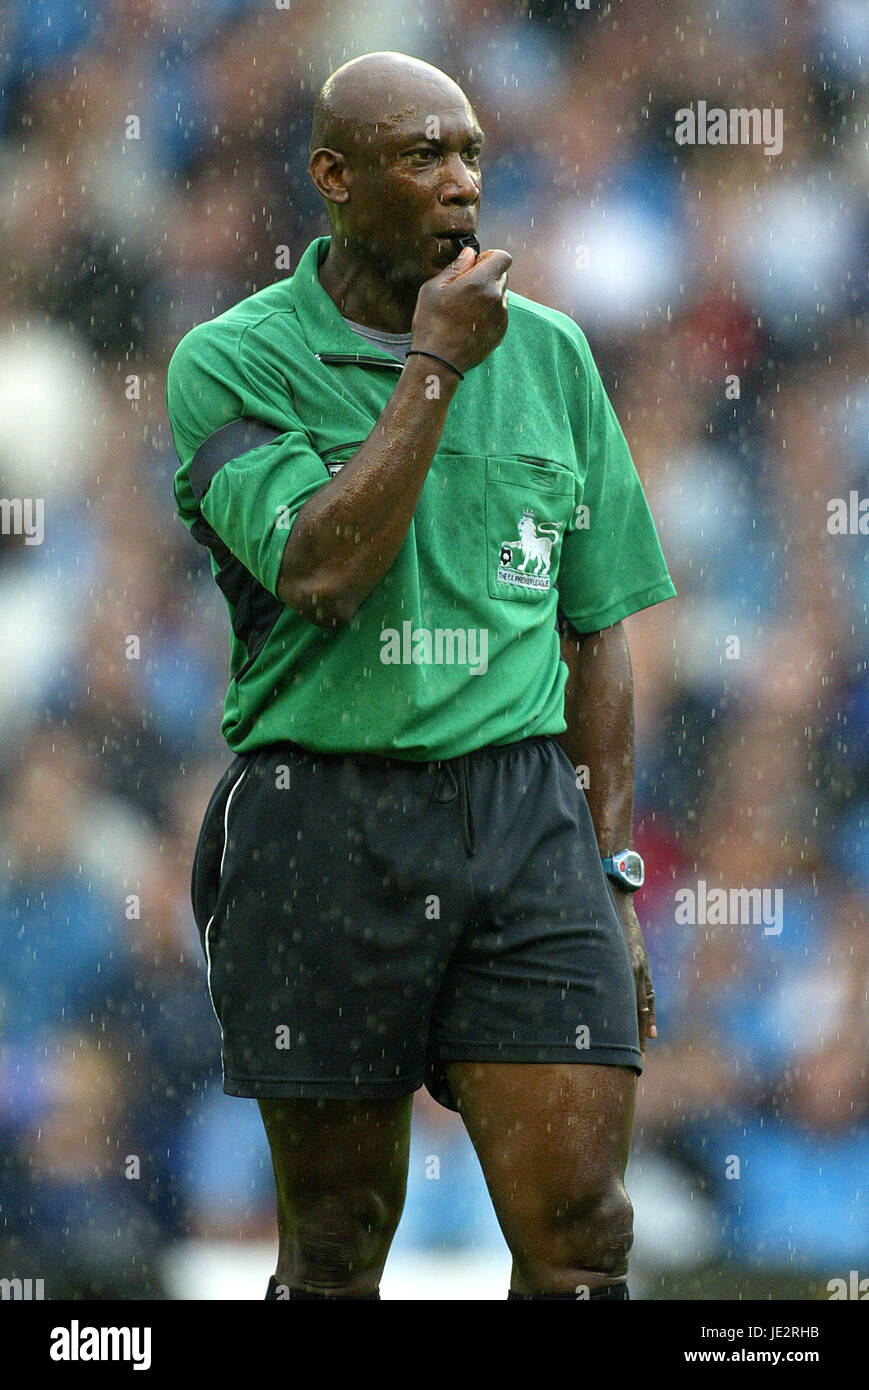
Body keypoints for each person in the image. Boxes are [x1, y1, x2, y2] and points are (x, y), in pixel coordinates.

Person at [166, 50, 676, 1300]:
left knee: (584, 1235)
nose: (459, 184)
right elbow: (317, 571)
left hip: (522, 820)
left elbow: (595, 629)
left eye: (468, 155)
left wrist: (612, 873)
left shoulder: (552, 353)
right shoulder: (228, 362)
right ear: (332, 178)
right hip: (321, 815)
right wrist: (434, 368)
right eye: (420, 156)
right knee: (337, 1244)